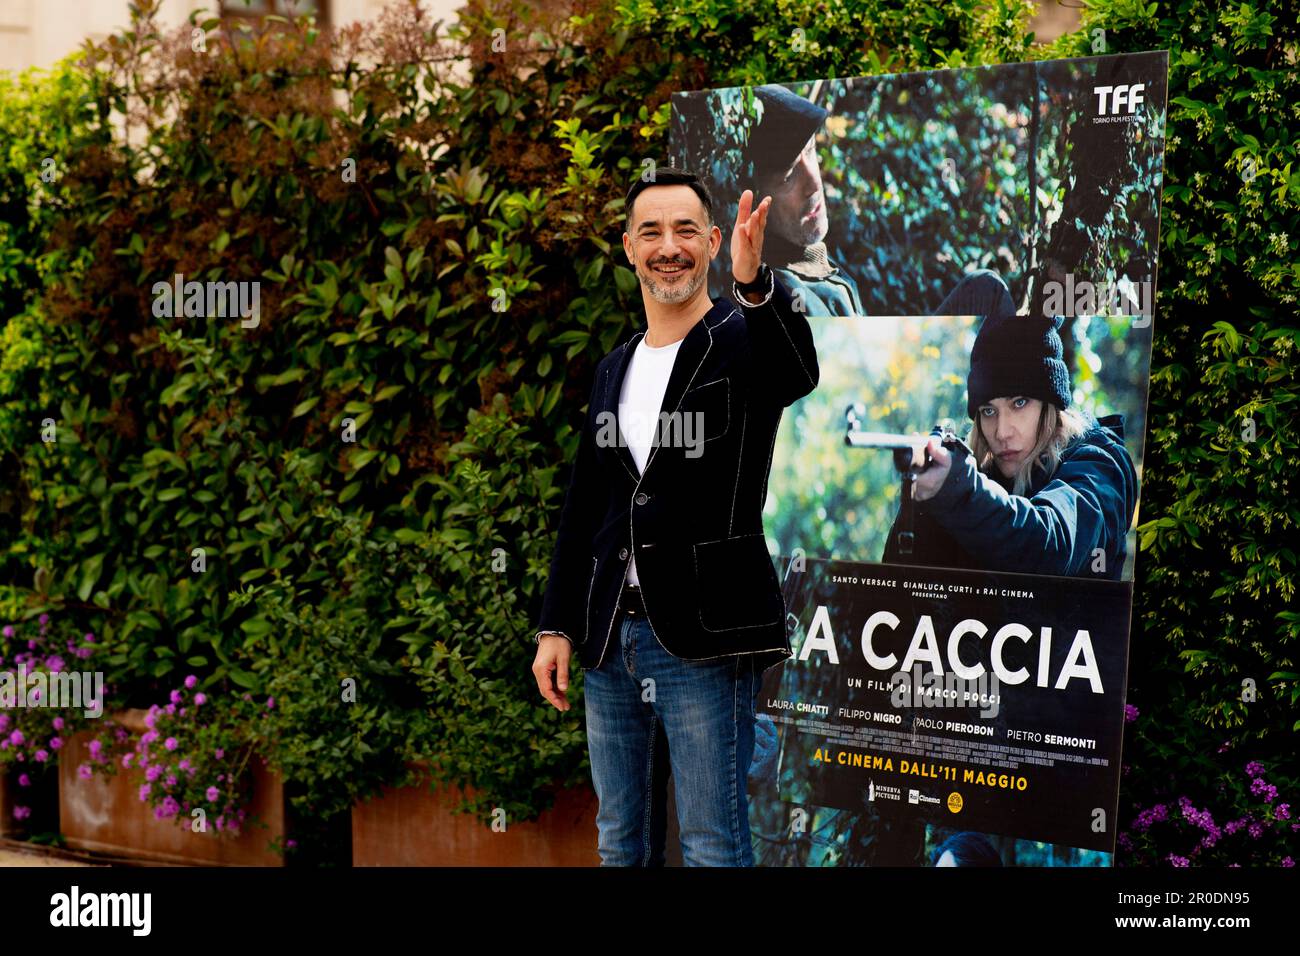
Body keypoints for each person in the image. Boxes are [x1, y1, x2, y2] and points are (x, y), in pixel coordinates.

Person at [530, 166, 819, 866]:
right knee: (619, 843)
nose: (669, 246)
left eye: (686, 230)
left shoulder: (741, 339)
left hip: (704, 637)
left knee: (714, 847)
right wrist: (557, 624)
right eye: (651, 232)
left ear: (714, 242)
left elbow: (795, 374)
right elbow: (588, 506)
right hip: (607, 643)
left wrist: (755, 287)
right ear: (629, 247)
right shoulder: (613, 366)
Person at [882, 311, 1138, 579]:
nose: (1002, 432)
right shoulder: (981, 478)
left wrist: (959, 491)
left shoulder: (1099, 463)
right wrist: (928, 501)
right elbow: (900, 582)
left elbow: (1051, 547)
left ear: (1049, 406)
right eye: (988, 411)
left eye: (1019, 403)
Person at [742, 84, 866, 317]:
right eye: (788, 177)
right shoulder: (783, 294)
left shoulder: (808, 257)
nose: (814, 184)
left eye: (810, 150)